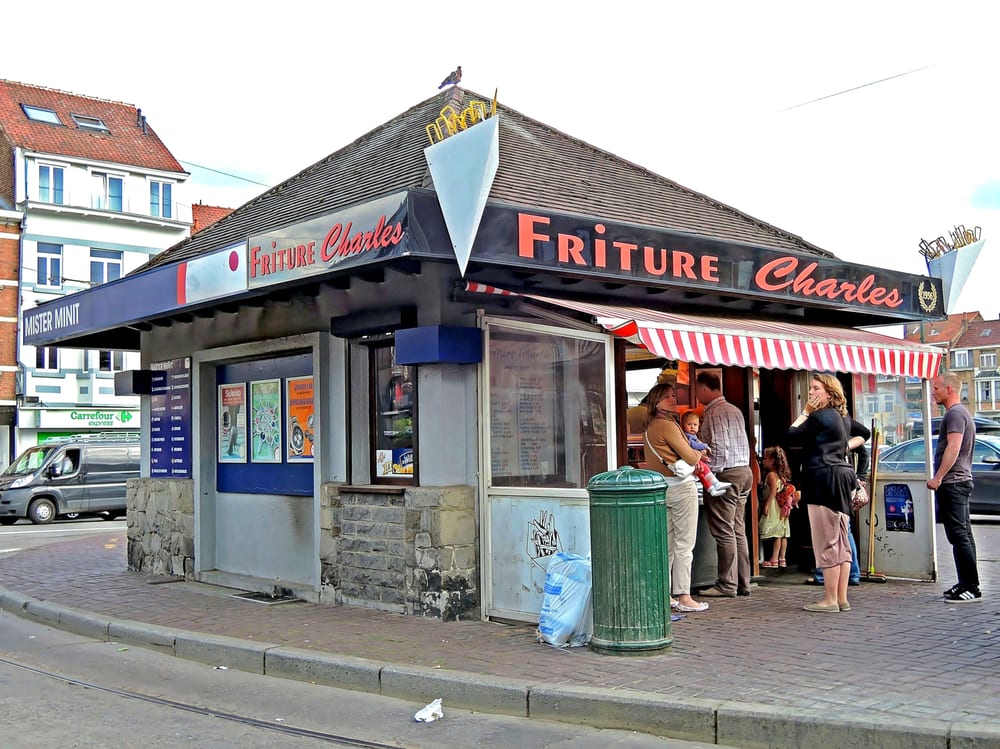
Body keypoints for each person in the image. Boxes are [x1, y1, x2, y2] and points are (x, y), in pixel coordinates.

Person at [788, 373, 865, 613]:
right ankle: (841, 598)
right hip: (843, 476)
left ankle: (830, 599)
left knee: (827, 541)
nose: (810, 393)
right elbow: (864, 434)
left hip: (823, 478)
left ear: (829, 393)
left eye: (815, 389)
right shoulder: (842, 417)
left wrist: (805, 411)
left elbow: (791, 434)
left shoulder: (819, 416)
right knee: (841, 540)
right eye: (810, 389)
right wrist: (844, 447)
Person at [641, 382, 709, 613]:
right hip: (681, 487)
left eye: (673, 395)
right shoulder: (667, 425)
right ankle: (684, 595)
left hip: (663, 487)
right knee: (684, 544)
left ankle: (664, 592)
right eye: (668, 397)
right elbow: (690, 456)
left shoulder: (650, 426)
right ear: (657, 402)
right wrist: (700, 453)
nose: (674, 399)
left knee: (667, 545)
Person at [694, 371, 754, 598]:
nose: (698, 395)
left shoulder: (716, 411)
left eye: (698, 390)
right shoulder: (734, 409)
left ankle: (727, 584)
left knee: (723, 529)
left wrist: (711, 473)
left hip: (727, 474)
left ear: (704, 388)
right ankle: (743, 582)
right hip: (744, 471)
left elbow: (720, 446)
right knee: (738, 528)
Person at [928, 372, 982, 603]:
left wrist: (938, 477)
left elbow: (954, 447)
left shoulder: (954, 415)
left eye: (937, 388)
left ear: (949, 389)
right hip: (960, 481)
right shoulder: (961, 414)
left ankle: (971, 586)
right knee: (963, 534)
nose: (933, 392)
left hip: (953, 483)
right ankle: (965, 583)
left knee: (959, 535)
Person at [807, 436, 867, 587]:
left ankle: (824, 576)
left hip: (835, 480)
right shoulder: (843, 434)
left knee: (832, 533)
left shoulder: (833, 435)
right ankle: (851, 576)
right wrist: (859, 477)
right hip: (845, 479)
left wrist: (860, 476)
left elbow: (864, 451)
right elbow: (864, 449)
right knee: (844, 531)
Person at [678, 411, 732, 497]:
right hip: (692, 460)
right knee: (705, 468)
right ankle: (715, 483)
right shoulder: (687, 436)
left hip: (694, 459)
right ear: (682, 425)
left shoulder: (693, 436)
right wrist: (704, 446)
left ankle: (711, 489)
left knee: (702, 475)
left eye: (695, 425)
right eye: (689, 424)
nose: (692, 427)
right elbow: (693, 445)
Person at [759, 446, 795, 568]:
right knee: (783, 533)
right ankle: (782, 558)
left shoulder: (771, 475)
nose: (763, 461)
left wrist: (766, 505)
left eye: (765, 459)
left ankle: (773, 559)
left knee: (776, 534)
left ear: (772, 460)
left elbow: (773, 491)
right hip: (784, 508)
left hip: (775, 507)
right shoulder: (782, 476)